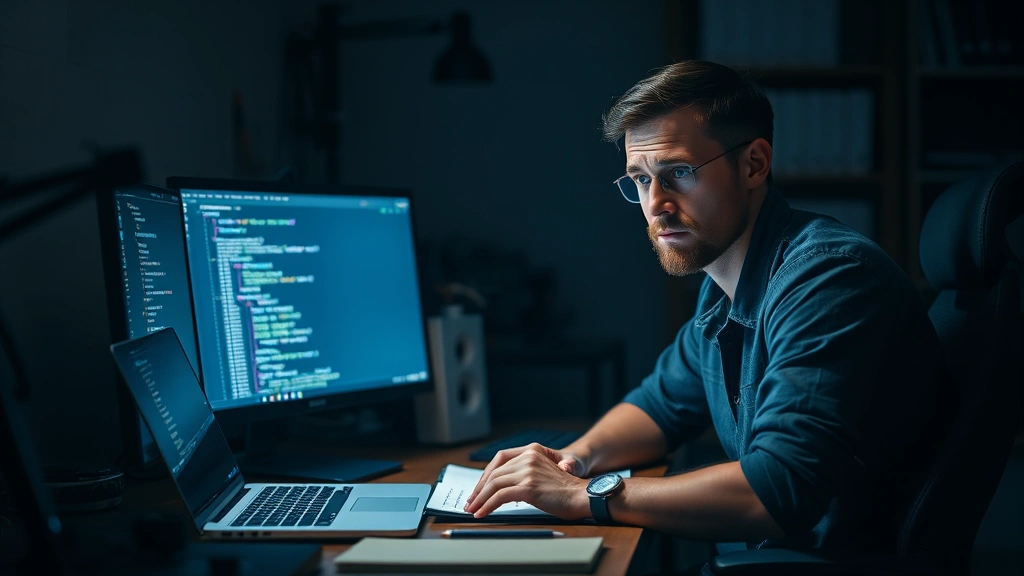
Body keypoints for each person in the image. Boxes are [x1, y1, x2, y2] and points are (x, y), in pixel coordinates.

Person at [464, 61, 945, 556]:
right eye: (640, 180)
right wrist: (572, 460)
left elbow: (779, 489)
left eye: (677, 173)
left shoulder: (827, 279)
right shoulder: (725, 283)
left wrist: (581, 495)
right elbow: (660, 406)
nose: (656, 204)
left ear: (754, 164)